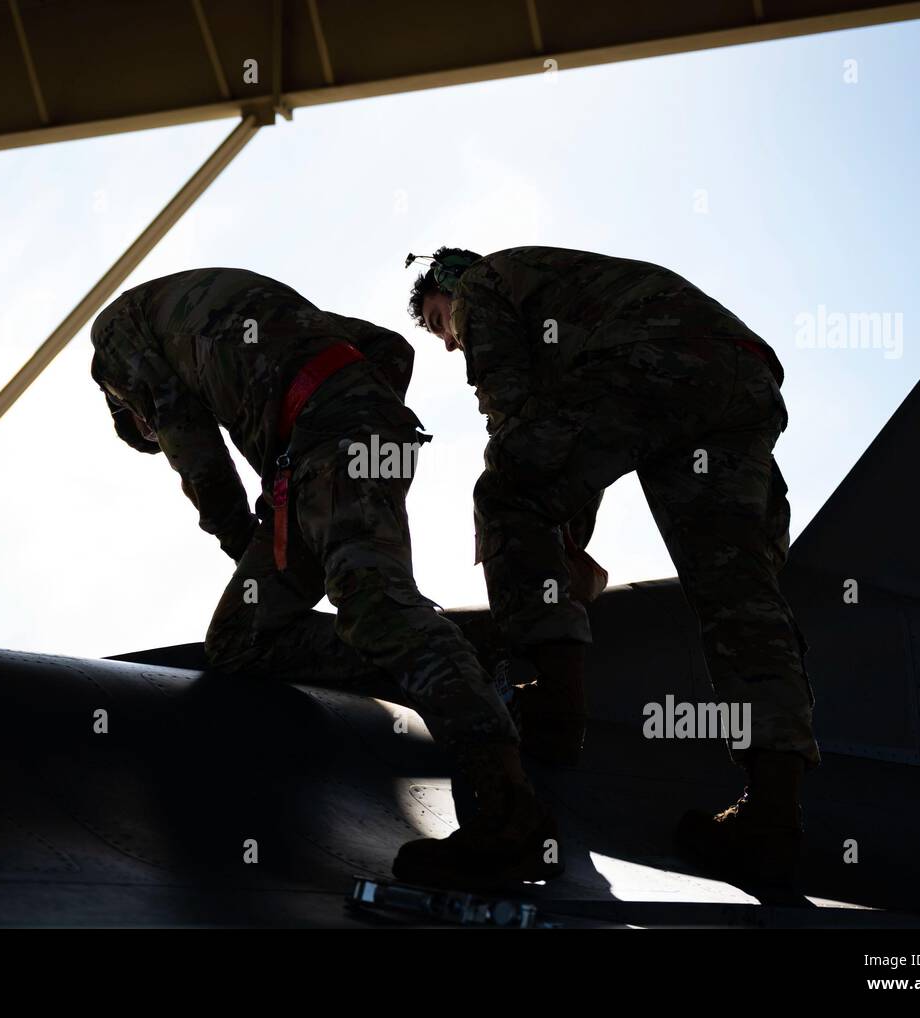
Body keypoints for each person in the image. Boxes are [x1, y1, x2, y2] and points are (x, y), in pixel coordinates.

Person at [90, 266, 562, 889]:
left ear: (125, 405)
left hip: (330, 448)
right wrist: (358, 418)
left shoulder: (114, 340)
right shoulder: (211, 309)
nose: (152, 427)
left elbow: (198, 456)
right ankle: (460, 659)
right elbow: (388, 348)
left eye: (144, 426)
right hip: (329, 452)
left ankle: (508, 814)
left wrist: (247, 538)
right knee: (240, 638)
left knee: (375, 606)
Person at [406, 245, 819, 887]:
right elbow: (577, 452)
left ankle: (553, 714)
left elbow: (517, 421)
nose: (452, 344)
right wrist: (565, 538)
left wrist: (542, 544)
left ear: (449, 287)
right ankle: (772, 814)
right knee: (737, 594)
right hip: (739, 372)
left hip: (654, 358)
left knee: (506, 487)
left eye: (440, 323)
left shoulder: (481, 284)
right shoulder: (561, 293)